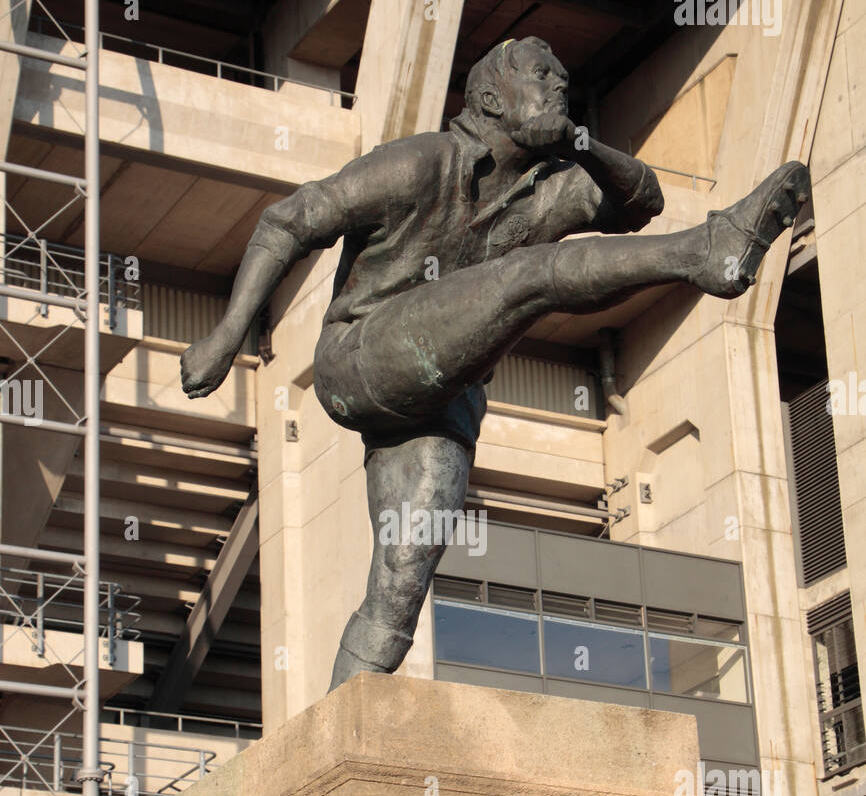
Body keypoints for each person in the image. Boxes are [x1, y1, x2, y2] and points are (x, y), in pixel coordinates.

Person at [181, 36, 808, 690]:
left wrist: (580, 145)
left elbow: (640, 202)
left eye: (563, 79)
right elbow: (290, 219)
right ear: (488, 98)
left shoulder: (550, 190)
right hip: (361, 361)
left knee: (400, 589)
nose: (558, 86)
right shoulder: (420, 163)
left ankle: (332, 756)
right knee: (527, 276)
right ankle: (707, 249)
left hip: (442, 403)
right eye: (541, 75)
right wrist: (229, 335)